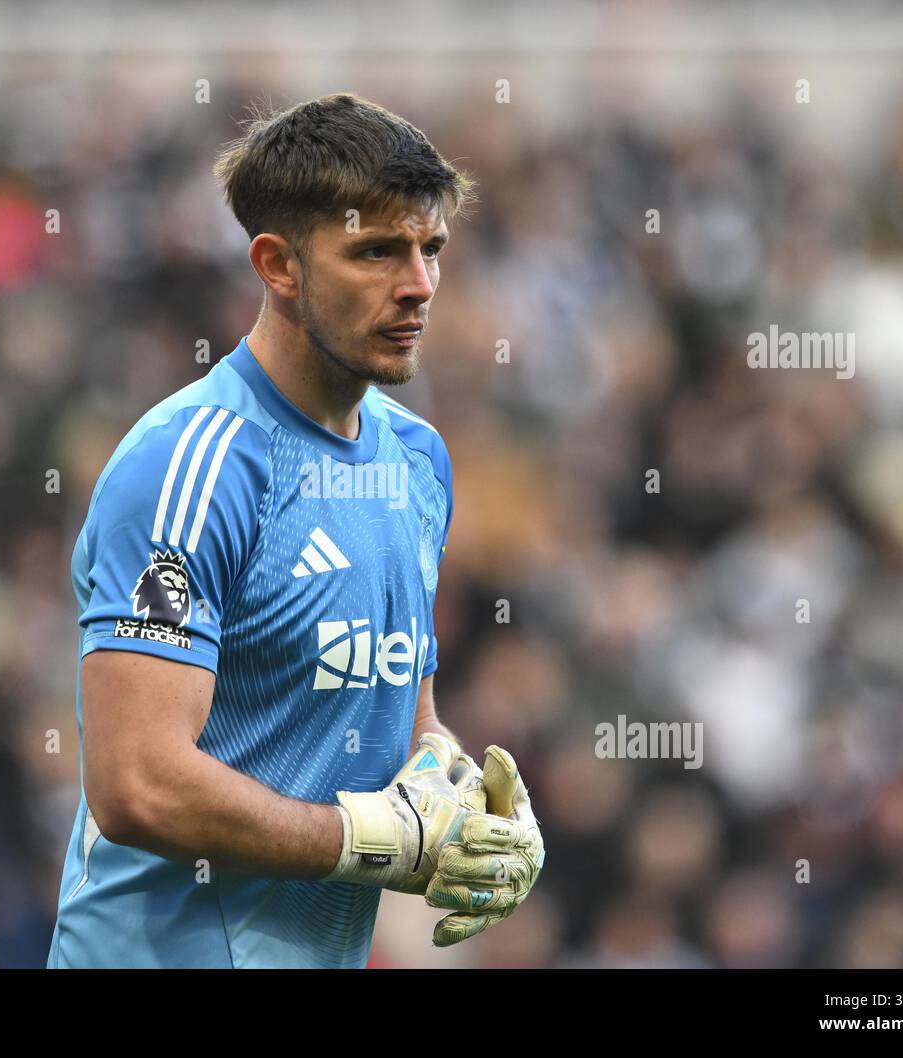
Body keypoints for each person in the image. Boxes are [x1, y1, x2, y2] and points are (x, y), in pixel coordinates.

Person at [47, 92, 543, 968]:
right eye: (377, 251)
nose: (419, 285)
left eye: (431, 249)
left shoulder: (417, 460)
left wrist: (460, 797)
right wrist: (374, 842)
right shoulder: (188, 467)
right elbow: (136, 784)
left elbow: (406, 708)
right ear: (277, 266)